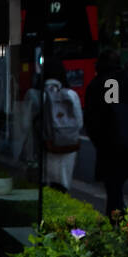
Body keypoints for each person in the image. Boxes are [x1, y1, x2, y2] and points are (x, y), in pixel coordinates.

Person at [84, 48, 128, 217]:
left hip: (111, 144)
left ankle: (117, 223)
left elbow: (108, 113)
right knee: (119, 186)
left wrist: (100, 139)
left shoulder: (106, 83)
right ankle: (122, 220)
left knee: (114, 189)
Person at [40, 56, 83, 192]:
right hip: (67, 148)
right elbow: (79, 124)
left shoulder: (39, 94)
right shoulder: (71, 95)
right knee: (62, 188)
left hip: (47, 148)